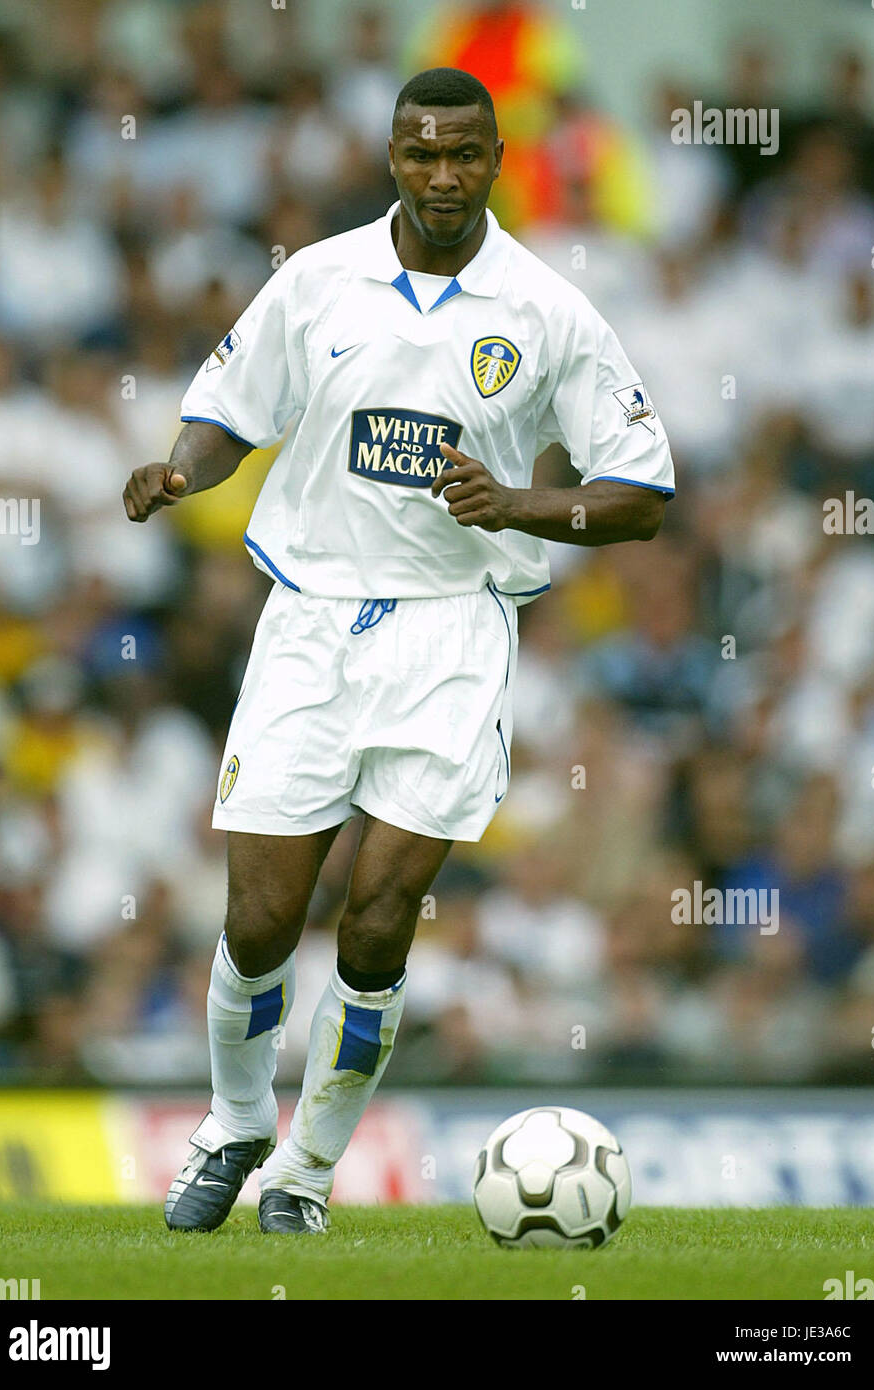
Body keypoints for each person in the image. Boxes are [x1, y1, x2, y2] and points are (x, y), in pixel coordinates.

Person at [122, 67, 675, 1236]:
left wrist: (518, 505)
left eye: (461, 156)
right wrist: (181, 471)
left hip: (452, 636)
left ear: (494, 161)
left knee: (378, 922)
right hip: (310, 624)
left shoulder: (547, 309)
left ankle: (307, 1174)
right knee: (262, 921)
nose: (439, 175)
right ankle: (231, 1126)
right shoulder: (317, 279)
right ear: (390, 154)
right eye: (419, 154)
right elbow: (227, 409)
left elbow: (641, 496)